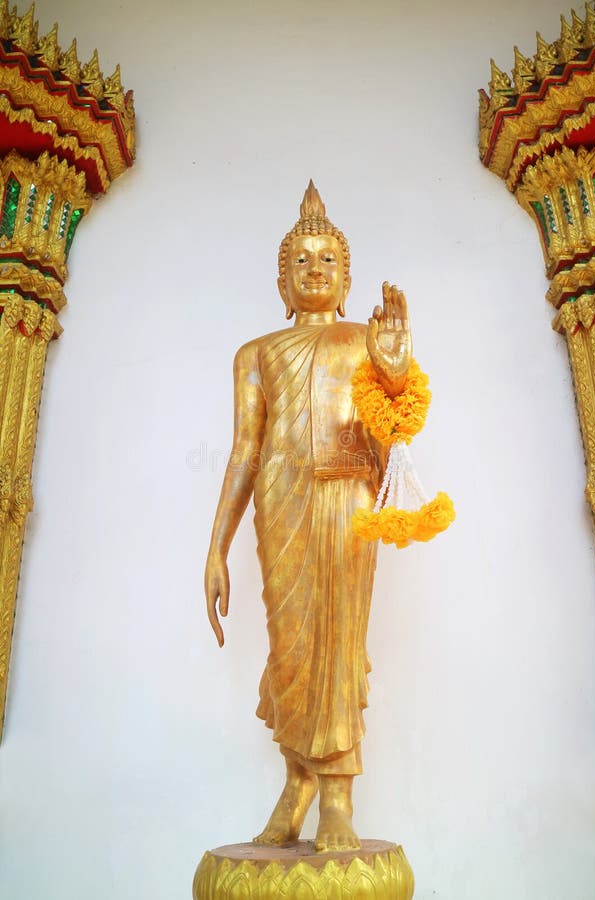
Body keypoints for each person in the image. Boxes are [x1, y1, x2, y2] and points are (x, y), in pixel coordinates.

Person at [204, 181, 411, 852]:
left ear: (346, 279)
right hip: (281, 500)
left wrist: (394, 375)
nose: (314, 269)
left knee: (340, 639)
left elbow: (391, 441)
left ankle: (338, 798)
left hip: (347, 498)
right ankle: (297, 785)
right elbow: (244, 450)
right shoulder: (256, 353)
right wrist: (215, 547)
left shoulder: (366, 340)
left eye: (328, 260)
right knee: (291, 643)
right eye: (300, 260)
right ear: (281, 283)